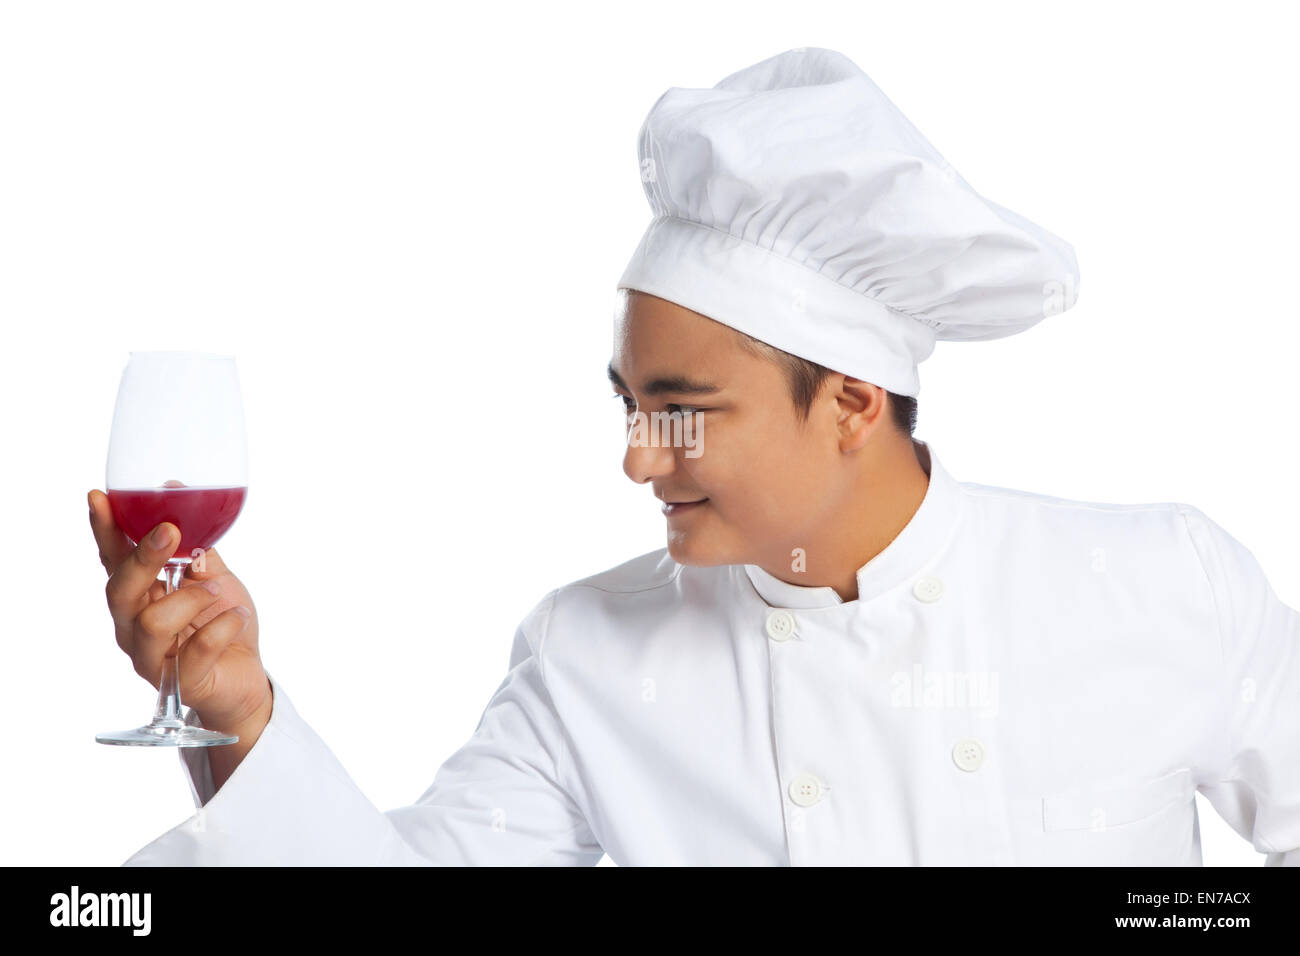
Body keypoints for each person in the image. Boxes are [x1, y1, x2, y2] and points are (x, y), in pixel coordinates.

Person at [88, 48, 1299, 866]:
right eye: (627, 402)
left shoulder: (1158, 583)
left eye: (681, 407)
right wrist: (238, 718)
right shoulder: (590, 654)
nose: (634, 459)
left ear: (850, 400)